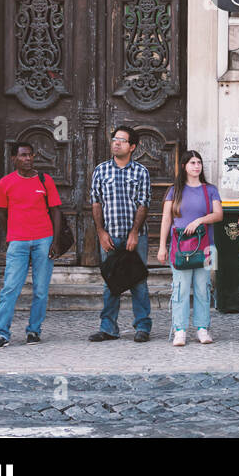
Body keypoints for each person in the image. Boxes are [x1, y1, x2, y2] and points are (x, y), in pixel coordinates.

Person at [0, 142, 62, 348]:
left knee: (41, 289)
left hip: (44, 238)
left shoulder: (44, 180)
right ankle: (2, 333)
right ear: (14, 159)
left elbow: (56, 210)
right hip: (18, 241)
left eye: (30, 155)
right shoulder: (6, 182)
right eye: (23, 155)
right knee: (10, 288)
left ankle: (34, 331)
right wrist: (10, 233)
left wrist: (55, 241)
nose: (28, 159)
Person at [89, 125, 152, 343]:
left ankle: (142, 326)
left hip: (136, 236)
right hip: (110, 235)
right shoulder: (101, 170)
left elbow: (143, 204)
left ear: (132, 146)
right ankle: (108, 328)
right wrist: (100, 232)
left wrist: (134, 233)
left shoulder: (141, 172)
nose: (116, 143)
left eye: (122, 140)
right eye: (114, 139)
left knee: (139, 281)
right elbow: (96, 202)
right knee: (110, 281)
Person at [156, 150, 222, 346]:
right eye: (192, 162)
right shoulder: (174, 191)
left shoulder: (210, 190)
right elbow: (166, 219)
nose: (196, 166)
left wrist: (200, 220)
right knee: (180, 288)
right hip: (180, 247)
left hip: (208, 247)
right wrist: (161, 246)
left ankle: (202, 328)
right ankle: (180, 330)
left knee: (204, 288)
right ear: (184, 166)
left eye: (199, 162)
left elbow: (218, 214)